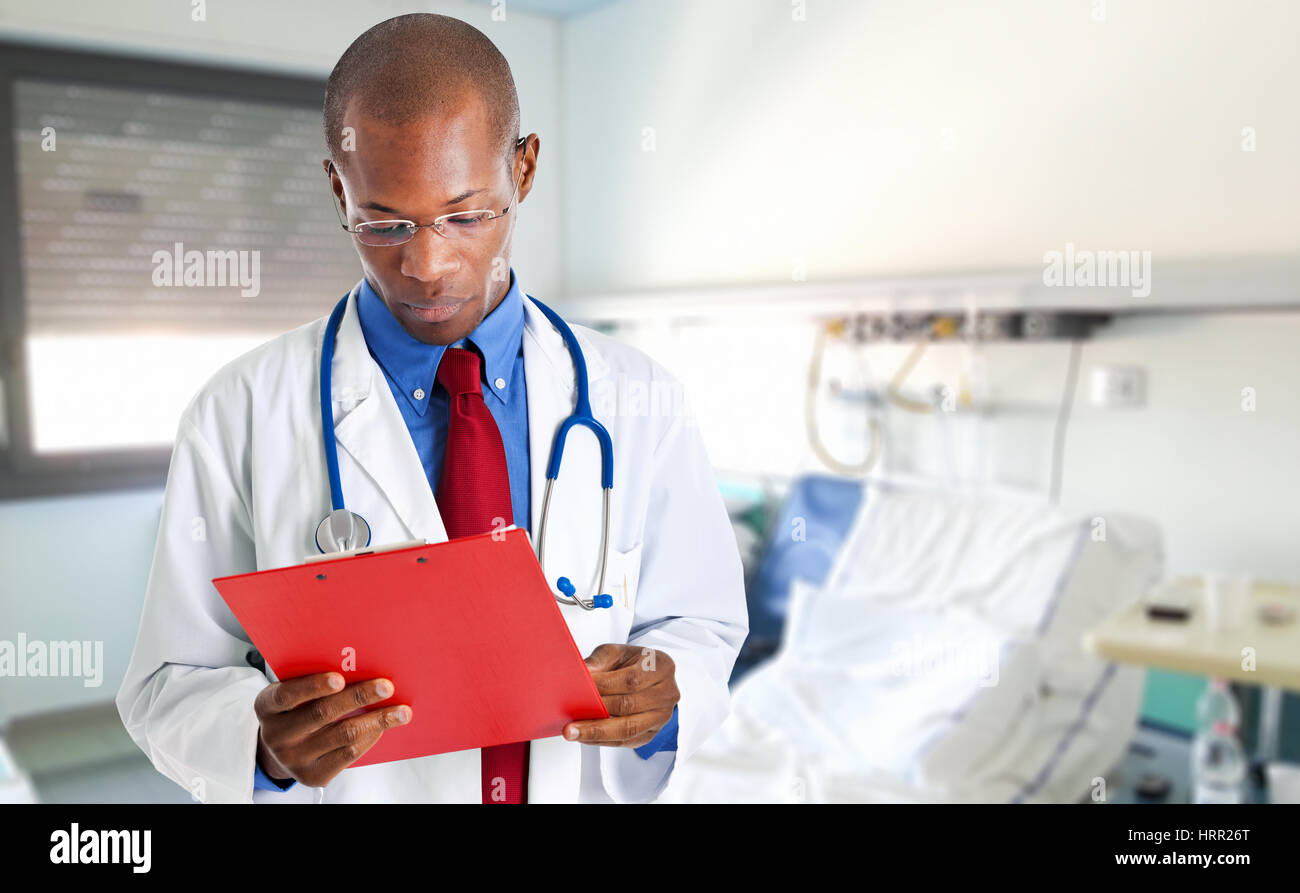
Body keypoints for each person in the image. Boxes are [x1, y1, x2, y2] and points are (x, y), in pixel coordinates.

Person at [115, 12, 748, 804]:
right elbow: (168, 681)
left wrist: (663, 687)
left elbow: (703, 623)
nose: (426, 263)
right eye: (383, 223)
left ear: (524, 170)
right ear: (335, 187)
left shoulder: (638, 398)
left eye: (465, 215)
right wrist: (262, 742)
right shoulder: (238, 413)